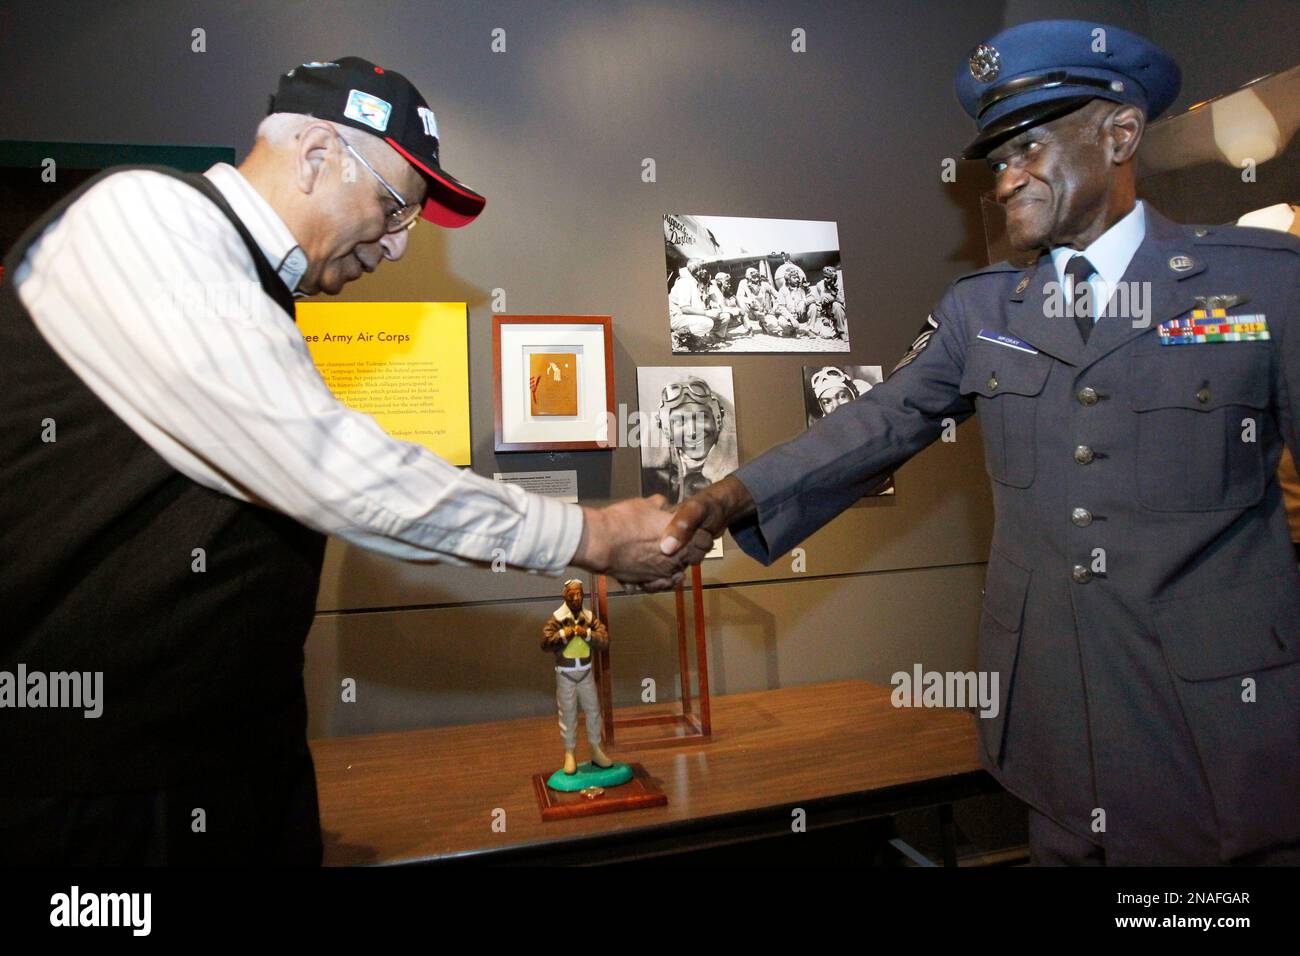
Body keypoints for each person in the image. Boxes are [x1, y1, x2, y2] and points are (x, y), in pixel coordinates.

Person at [0, 56, 709, 865]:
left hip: (225, 770)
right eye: (393, 207)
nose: (399, 246)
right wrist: (593, 535)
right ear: (314, 155)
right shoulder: (147, 217)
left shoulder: (252, 291)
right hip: (97, 798)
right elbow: (329, 465)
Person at [661, 20, 1300, 865]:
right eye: (996, 161)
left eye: (1029, 148)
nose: (1005, 181)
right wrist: (726, 497)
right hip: (1058, 729)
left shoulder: (1260, 285)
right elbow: (878, 419)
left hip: (1219, 731)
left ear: (1120, 135)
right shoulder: (984, 310)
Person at [542, 579, 612, 775]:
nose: (576, 598)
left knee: (593, 711)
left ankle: (596, 749)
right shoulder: (557, 618)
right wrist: (563, 634)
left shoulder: (588, 617)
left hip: (586, 673)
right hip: (566, 674)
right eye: (572, 595)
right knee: (568, 714)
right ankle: (569, 752)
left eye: (579, 594)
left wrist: (587, 633)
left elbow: (604, 641)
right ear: (565, 596)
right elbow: (545, 642)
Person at [643, 378, 729, 505]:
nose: (692, 432)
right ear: (667, 430)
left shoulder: (736, 475)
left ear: (717, 420)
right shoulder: (652, 479)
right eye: (679, 421)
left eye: (701, 418)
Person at [668, 257, 725, 343]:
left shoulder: (694, 282)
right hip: (676, 318)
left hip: (684, 316)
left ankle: (704, 338)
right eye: (703, 268)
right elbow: (684, 308)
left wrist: (711, 311)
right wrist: (707, 313)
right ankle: (678, 337)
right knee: (707, 323)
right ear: (696, 270)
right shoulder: (685, 282)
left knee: (723, 316)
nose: (705, 271)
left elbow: (696, 306)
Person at [737, 266, 779, 334]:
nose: (756, 279)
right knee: (741, 302)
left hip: (763, 312)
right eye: (753, 277)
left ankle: (763, 324)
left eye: (757, 276)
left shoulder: (764, 284)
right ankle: (749, 327)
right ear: (748, 277)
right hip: (751, 311)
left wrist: (774, 308)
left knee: (774, 324)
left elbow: (778, 296)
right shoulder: (743, 283)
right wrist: (750, 301)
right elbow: (739, 297)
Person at [809, 266, 846, 339]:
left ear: (833, 277)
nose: (825, 279)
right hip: (826, 313)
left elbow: (842, 300)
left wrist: (832, 297)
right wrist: (823, 316)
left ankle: (842, 332)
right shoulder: (820, 285)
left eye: (828, 278)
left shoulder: (840, 284)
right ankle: (830, 326)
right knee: (826, 334)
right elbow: (817, 302)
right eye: (824, 277)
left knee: (836, 305)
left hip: (838, 312)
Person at [774, 270, 812, 337]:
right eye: (794, 278)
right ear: (788, 280)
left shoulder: (802, 289)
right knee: (782, 322)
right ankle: (795, 330)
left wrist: (805, 300)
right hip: (790, 315)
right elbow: (782, 308)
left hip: (801, 315)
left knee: (813, 307)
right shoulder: (783, 290)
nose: (797, 279)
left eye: (797, 277)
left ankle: (810, 329)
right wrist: (791, 319)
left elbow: (811, 299)